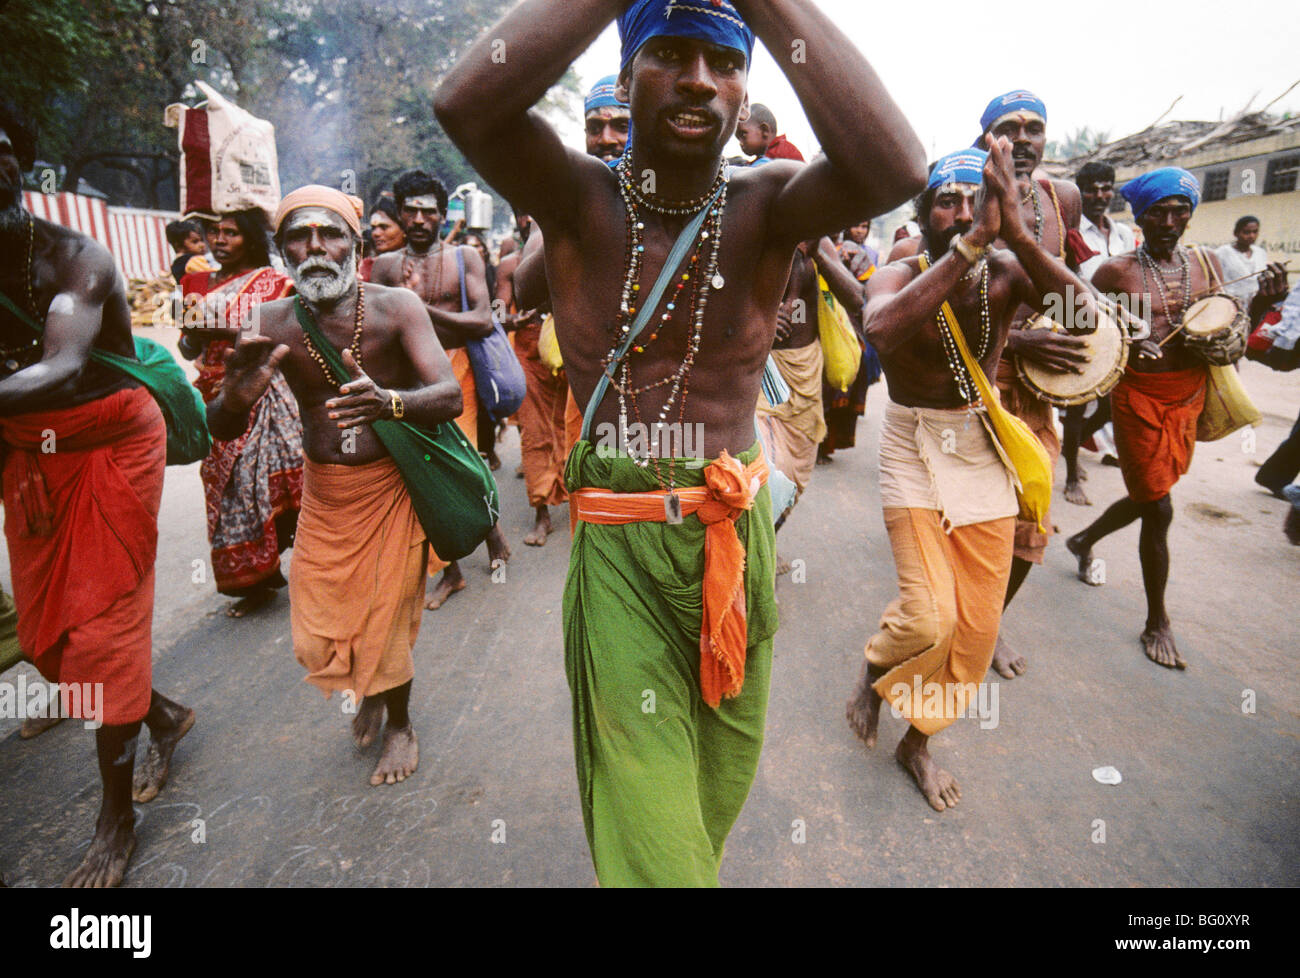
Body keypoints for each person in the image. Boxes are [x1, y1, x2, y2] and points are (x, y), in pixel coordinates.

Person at [436, 0, 926, 886]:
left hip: (731, 530)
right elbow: (464, 106)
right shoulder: (575, 199)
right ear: (626, 78)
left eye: (724, 63)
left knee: (717, 772)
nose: (700, 79)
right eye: (668, 53)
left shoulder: (770, 205)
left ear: (744, 90)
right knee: (648, 805)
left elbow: (895, 166)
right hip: (620, 544)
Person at [844, 143, 1098, 811]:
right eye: (944, 203)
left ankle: (917, 743)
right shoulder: (896, 271)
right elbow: (881, 331)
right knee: (929, 618)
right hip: (911, 446)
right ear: (923, 215)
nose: (959, 214)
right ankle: (875, 674)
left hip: (981, 445)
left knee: (977, 630)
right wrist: (972, 245)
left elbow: (1085, 318)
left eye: (972, 201)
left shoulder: (1010, 273)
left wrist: (1013, 233)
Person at [207, 185, 465, 785]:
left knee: (382, 612)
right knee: (322, 618)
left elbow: (448, 397)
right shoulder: (270, 320)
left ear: (356, 244)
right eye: (299, 237)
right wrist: (232, 399)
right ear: (282, 250)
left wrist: (388, 401)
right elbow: (220, 426)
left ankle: (399, 721)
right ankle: (371, 684)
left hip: (392, 489)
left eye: (330, 235)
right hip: (324, 492)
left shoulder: (397, 306)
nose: (315, 248)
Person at [0, 106, 194, 886]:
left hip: (112, 440)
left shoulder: (74, 258)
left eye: (1, 148)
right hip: (28, 449)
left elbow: (61, 364)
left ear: (21, 162)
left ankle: (116, 820)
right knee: (49, 638)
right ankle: (167, 715)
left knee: (104, 635)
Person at [1063, 169, 1275, 668]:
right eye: (1158, 211)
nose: (1170, 220)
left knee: (1148, 495)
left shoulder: (1204, 265)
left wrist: (1266, 298)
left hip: (1189, 394)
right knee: (1158, 506)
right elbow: (1074, 322)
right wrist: (1122, 332)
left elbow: (1231, 321)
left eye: (1180, 210)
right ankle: (1157, 620)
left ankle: (1083, 539)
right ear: (1140, 216)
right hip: (1138, 397)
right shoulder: (1115, 273)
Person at [976, 89, 1088, 681]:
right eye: (1008, 127)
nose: (1023, 139)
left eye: (1035, 128)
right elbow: (938, 292)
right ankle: (956, 618)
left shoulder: (1059, 196)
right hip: (974, 373)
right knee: (971, 514)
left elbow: (1069, 283)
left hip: (1039, 386)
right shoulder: (964, 190)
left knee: (1031, 515)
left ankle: (989, 619)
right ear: (984, 137)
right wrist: (1014, 341)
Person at [369, 169, 510, 608]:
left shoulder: (464, 258)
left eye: (427, 211)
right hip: (406, 377)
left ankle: (495, 539)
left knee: (464, 464)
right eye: (409, 210)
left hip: (455, 370)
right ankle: (451, 571)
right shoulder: (386, 266)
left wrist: (419, 310)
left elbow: (483, 321)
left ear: (441, 215)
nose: (418, 219)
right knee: (421, 471)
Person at [509, 74, 635, 543]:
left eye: (621, 125)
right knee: (602, 528)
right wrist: (566, 208)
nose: (606, 139)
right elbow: (526, 288)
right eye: (594, 127)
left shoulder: (680, 194)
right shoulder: (570, 194)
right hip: (594, 393)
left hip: (669, 401)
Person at [179, 209, 303, 617]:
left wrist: (215, 323)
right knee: (227, 486)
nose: (220, 240)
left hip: (260, 388)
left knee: (262, 478)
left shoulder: (274, 282)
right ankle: (257, 577)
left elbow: (271, 331)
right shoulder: (195, 283)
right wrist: (193, 332)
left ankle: (305, 560)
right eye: (213, 233)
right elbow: (187, 348)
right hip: (213, 394)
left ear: (249, 238)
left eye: (230, 233)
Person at [1061, 160, 1134, 505]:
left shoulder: (1122, 233)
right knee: (1078, 402)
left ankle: (1069, 447)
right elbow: (1065, 280)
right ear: (1080, 191)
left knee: (1108, 405)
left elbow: (1132, 275)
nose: (1099, 195)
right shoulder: (1070, 231)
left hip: (1118, 325)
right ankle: (1073, 476)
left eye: (1106, 187)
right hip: (1080, 318)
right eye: (1092, 188)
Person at [756, 238, 825, 526]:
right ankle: (751, 551)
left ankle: (767, 544)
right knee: (769, 471)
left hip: (803, 377)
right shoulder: (753, 247)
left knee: (795, 473)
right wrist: (761, 327)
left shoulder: (813, 260)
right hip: (763, 379)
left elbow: (859, 301)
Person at [1216, 216, 1268, 307]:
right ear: (1236, 233)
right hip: (1231, 304)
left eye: (1255, 232)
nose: (1251, 236)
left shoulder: (1261, 253)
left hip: (1257, 305)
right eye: (1246, 232)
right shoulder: (1222, 253)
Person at [735, 102, 805, 163]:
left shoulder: (782, 151)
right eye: (738, 138)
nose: (740, 143)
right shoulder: (765, 155)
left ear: (764, 131)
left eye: (743, 135)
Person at [359, 196, 406, 282]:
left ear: (404, 229)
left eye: (384, 227)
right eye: (373, 228)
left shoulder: (423, 264)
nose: (375, 233)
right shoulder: (366, 268)